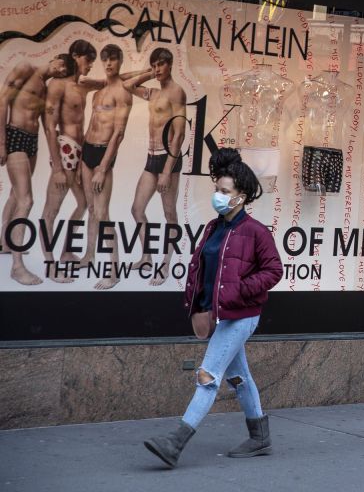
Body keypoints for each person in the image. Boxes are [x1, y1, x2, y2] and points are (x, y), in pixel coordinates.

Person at [144, 148, 283, 469]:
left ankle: (174, 442)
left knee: (208, 375)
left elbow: (274, 271)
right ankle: (260, 436)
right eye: (217, 190)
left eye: (225, 191)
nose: (218, 196)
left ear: (241, 196)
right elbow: (202, 268)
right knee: (239, 377)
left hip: (243, 314)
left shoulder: (256, 232)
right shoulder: (213, 227)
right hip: (220, 314)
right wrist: (198, 303)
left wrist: (239, 291)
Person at [0, 53, 77, 285]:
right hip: (14, 134)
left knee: (16, 194)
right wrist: (1, 142)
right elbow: (3, 100)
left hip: (32, 142)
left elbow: (47, 125)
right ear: (55, 61)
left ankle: (5, 242)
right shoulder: (25, 68)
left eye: (64, 73)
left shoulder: (45, 88)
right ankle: (17, 267)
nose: (60, 73)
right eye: (61, 68)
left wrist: (56, 162)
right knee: (26, 200)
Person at [67, 44, 134, 288]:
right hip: (88, 152)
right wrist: (80, 162)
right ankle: (89, 255)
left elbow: (119, 133)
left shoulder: (122, 94)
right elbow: (90, 126)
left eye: (113, 59)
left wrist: (103, 168)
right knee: (92, 211)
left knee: (103, 214)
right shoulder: (98, 91)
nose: (108, 63)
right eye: (105, 59)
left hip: (104, 155)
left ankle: (114, 271)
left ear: (120, 61)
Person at [124, 47, 187, 285]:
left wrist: (166, 172)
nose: (158, 69)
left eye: (161, 64)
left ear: (170, 65)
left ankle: (166, 264)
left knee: (169, 213)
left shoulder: (176, 93)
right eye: (154, 65)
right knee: (137, 209)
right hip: (152, 156)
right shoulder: (153, 93)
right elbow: (127, 86)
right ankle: (146, 256)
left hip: (167, 159)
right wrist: (148, 74)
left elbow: (179, 135)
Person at [40, 39, 100, 282]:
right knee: (51, 210)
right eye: (88, 61)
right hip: (64, 148)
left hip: (78, 151)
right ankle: (49, 264)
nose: (90, 66)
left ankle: (65, 252)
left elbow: (112, 81)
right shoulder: (58, 85)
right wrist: (56, 166)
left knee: (84, 202)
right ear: (75, 56)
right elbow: (49, 126)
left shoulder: (80, 86)